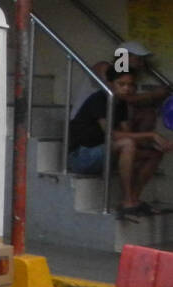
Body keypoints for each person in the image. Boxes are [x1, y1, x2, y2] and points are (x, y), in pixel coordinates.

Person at [68, 65, 171, 217]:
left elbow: (127, 133)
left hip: (105, 152)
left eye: (130, 85)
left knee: (154, 153)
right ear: (110, 84)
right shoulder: (99, 99)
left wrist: (158, 144)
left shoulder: (121, 103)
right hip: (81, 156)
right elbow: (113, 135)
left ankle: (134, 199)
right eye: (121, 84)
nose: (127, 89)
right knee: (128, 144)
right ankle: (127, 201)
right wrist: (152, 135)